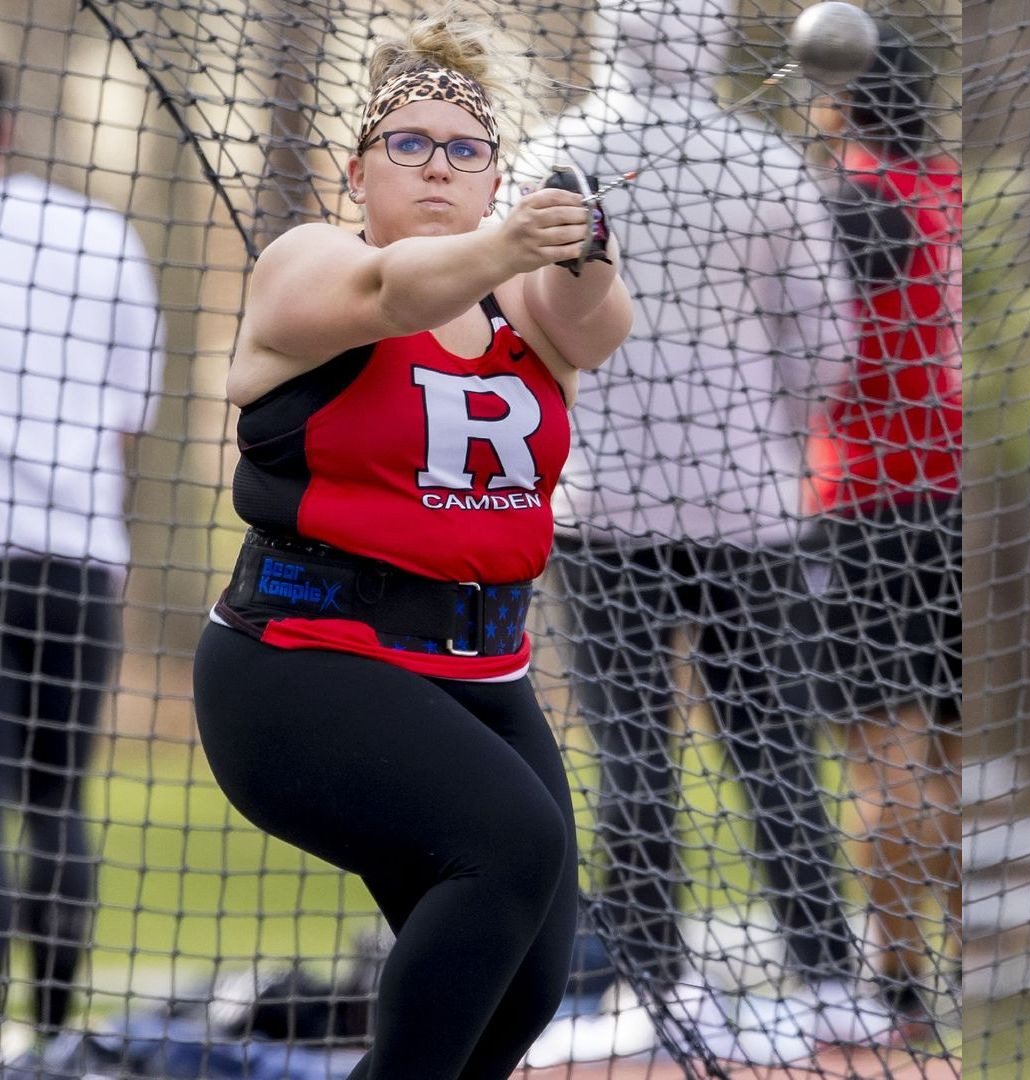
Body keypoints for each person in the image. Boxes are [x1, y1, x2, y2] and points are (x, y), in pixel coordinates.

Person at [189, 3, 630, 1077]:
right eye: (410, 147)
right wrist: (508, 238)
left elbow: (602, 324)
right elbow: (395, 292)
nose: (438, 169)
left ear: (496, 175)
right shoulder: (308, 264)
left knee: (523, 984)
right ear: (358, 173)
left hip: (484, 668)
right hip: (302, 660)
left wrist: (582, 242)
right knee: (509, 848)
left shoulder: (525, 303)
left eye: (466, 152)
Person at [516, 1, 869, 1066]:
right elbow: (827, 339)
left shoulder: (556, 153)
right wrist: (764, 426)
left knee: (633, 754)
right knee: (773, 749)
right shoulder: (759, 159)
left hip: (603, 501)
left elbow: (516, 320)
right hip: (746, 503)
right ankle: (827, 981)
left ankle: (661, 983)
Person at [800, 23, 961, 1040]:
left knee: (885, 763)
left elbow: (807, 361)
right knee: (946, 758)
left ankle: (898, 985)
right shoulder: (947, 193)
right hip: (956, 506)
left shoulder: (845, 207)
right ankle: (949, 972)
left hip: (865, 506)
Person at [0, 64, 165, 1042]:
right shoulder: (97, 233)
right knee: (56, 802)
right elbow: (129, 419)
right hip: (74, 562)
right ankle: (54, 1034)